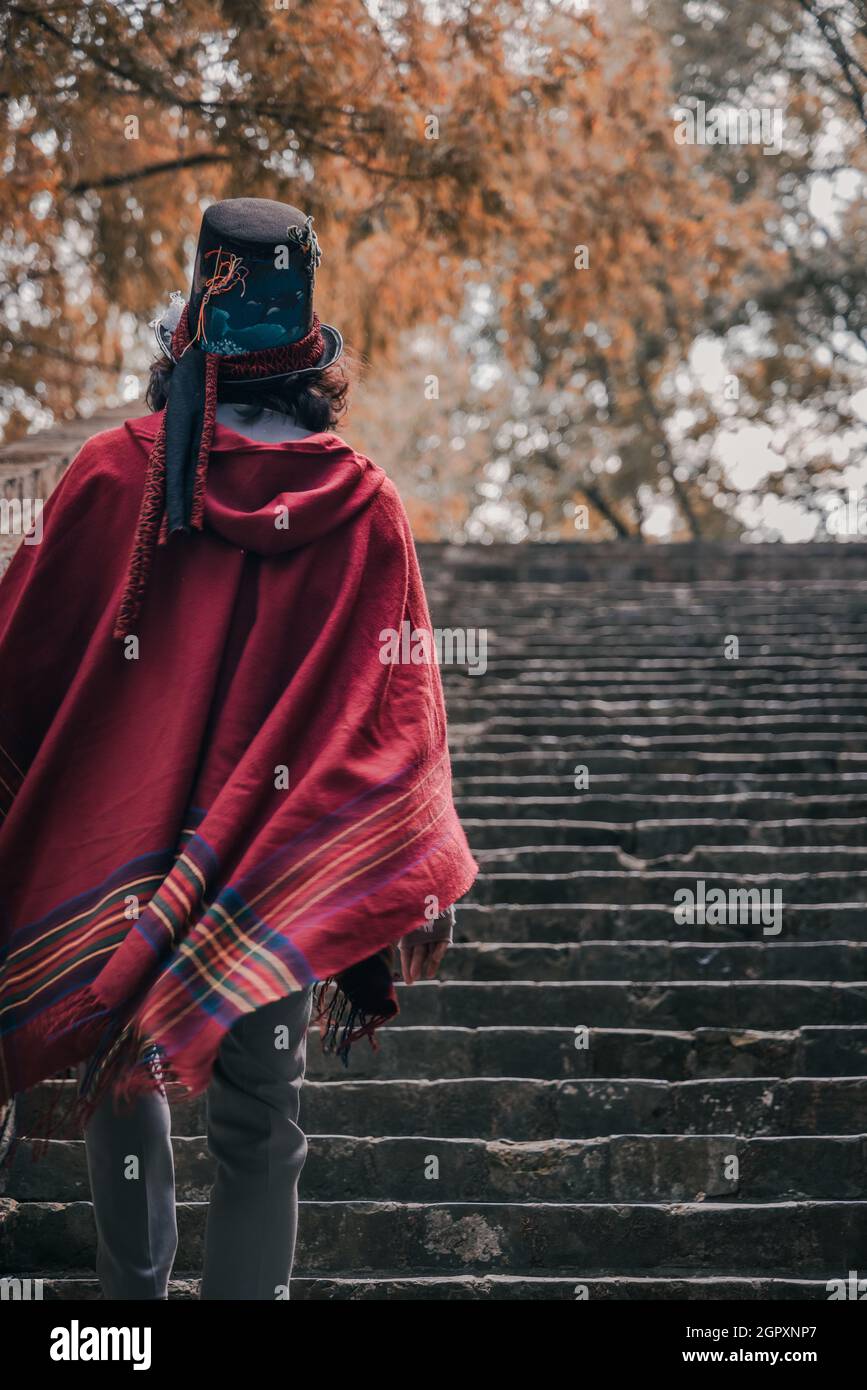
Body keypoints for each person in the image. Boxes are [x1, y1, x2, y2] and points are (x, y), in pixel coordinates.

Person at [0, 197, 477, 1300]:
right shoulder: (362, 507)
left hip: (125, 858)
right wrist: (411, 864)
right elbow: (394, 711)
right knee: (265, 1110)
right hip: (272, 858)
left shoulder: (118, 474)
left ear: (194, 314)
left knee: (127, 1080)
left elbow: (23, 661)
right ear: (307, 339)